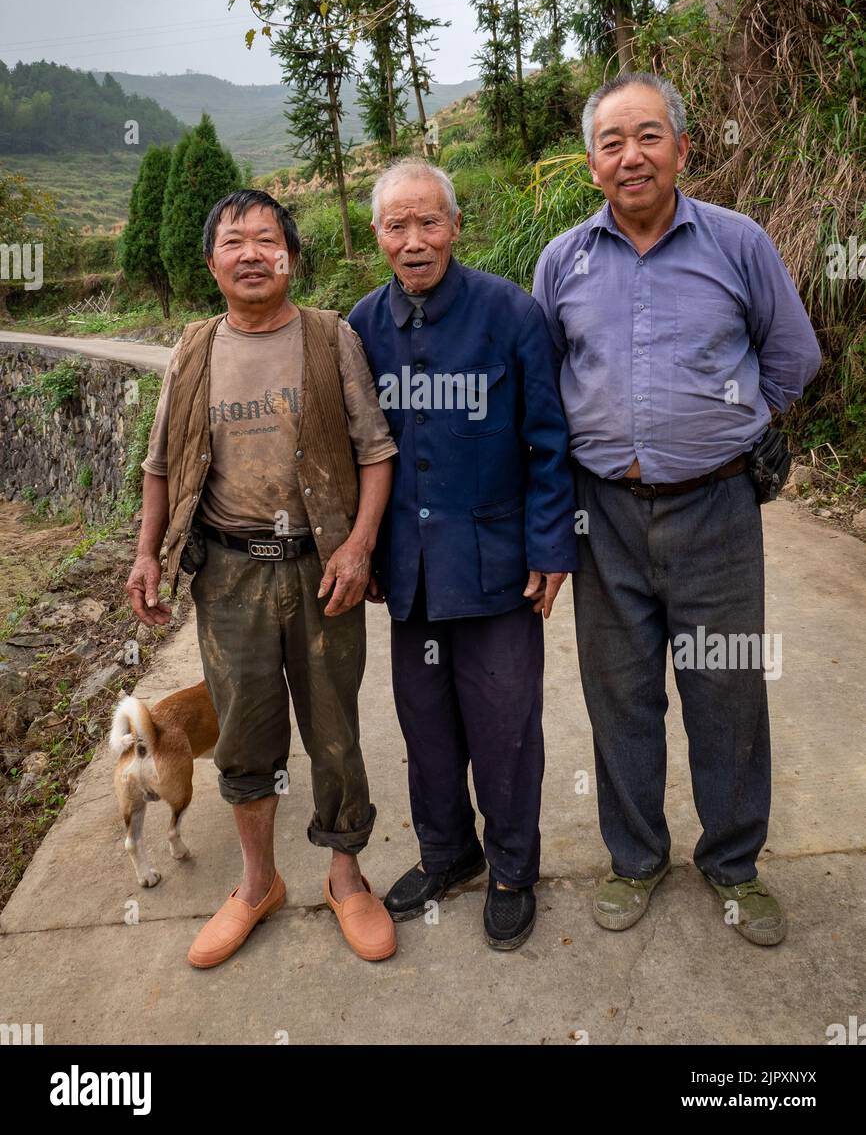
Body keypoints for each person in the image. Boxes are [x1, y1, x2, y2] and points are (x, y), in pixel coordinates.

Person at [533, 72, 822, 946]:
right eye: (612, 142)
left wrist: (749, 425)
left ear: (683, 149)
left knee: (727, 690)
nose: (632, 156)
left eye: (649, 136)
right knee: (619, 695)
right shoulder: (562, 262)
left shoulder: (737, 243)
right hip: (603, 519)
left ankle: (734, 865)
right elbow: (547, 385)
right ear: (592, 165)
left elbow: (794, 354)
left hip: (717, 512)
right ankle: (637, 858)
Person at [126, 188, 399, 967]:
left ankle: (347, 877)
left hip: (321, 573)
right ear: (211, 261)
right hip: (228, 575)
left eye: (267, 239)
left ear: (291, 256)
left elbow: (376, 452)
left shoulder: (330, 338)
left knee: (334, 730)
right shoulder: (192, 349)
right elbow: (158, 468)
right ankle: (257, 885)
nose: (251, 253)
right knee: (245, 737)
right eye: (234, 241)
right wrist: (148, 555)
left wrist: (359, 548)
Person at [349, 158, 578, 949]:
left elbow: (550, 443)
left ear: (454, 226)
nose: (414, 241)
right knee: (427, 728)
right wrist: (367, 550)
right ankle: (448, 854)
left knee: (506, 728)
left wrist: (553, 549)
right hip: (410, 576)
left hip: (498, 570)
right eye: (396, 226)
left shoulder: (510, 314)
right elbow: (358, 454)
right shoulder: (362, 326)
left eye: (429, 222)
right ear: (377, 235)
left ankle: (514, 869)